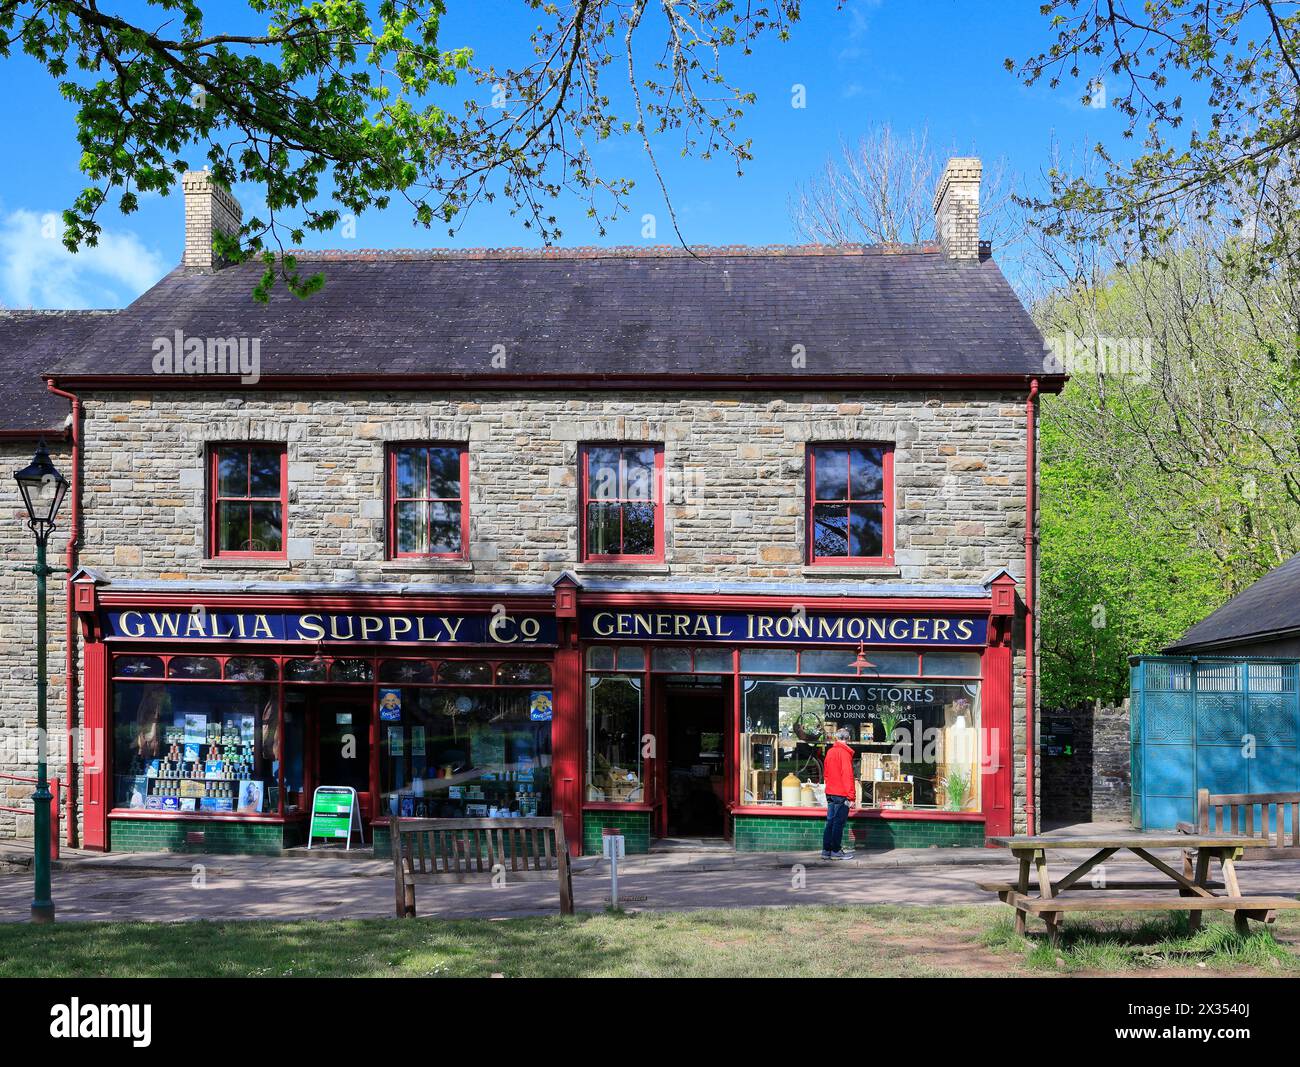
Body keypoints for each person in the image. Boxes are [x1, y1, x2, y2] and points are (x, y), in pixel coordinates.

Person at [822, 727, 856, 859]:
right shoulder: (845, 754)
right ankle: (836, 850)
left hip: (830, 792)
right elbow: (848, 776)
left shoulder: (830, 752)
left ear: (836, 738)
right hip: (841, 794)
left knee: (830, 821)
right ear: (848, 739)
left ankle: (826, 850)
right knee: (838, 823)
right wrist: (851, 796)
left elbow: (826, 774)